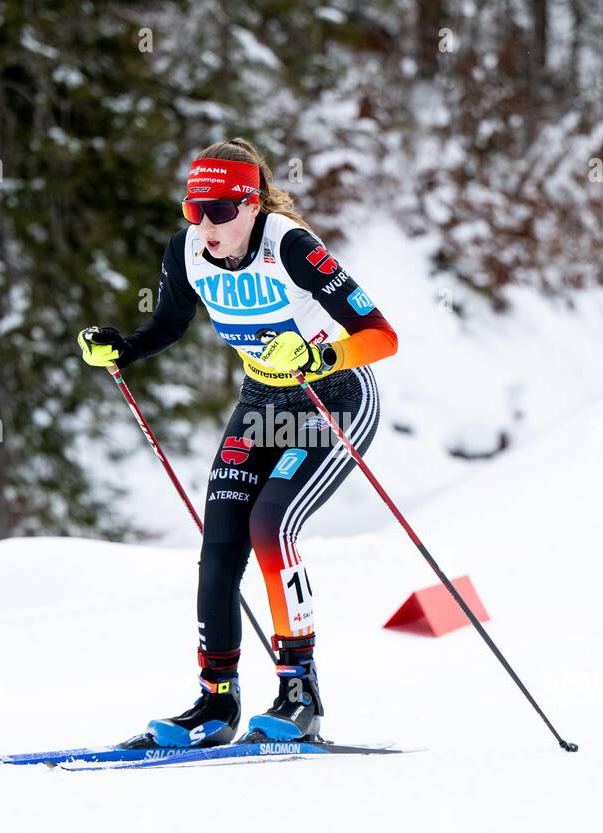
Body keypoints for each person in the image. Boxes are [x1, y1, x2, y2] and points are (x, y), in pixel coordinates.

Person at [79, 137, 397, 745]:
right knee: (220, 541)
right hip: (260, 402)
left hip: (332, 399)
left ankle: (300, 694)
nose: (205, 225)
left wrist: (317, 352)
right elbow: (168, 324)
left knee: (271, 526)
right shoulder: (187, 252)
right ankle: (216, 702)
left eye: (221, 210)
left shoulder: (292, 248)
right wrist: (122, 347)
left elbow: (381, 336)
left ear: (253, 205)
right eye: (193, 210)